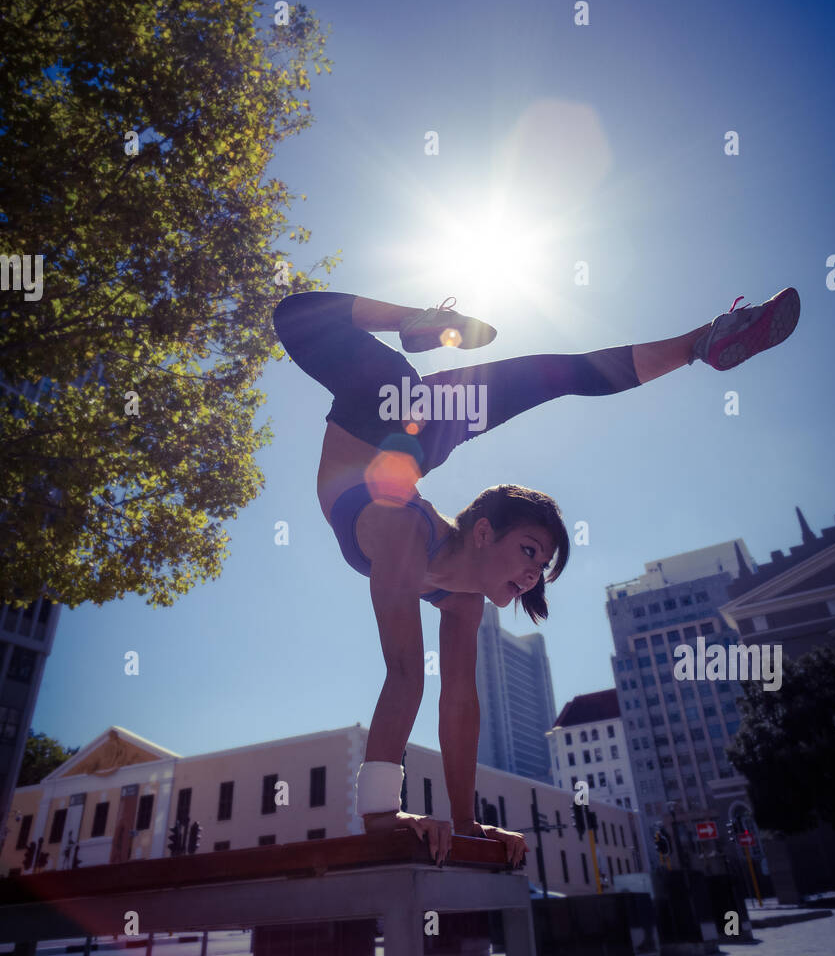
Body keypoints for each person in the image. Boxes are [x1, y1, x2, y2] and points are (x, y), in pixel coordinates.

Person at [272, 285, 800, 870]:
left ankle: (704, 343)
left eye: (539, 565)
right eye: (529, 552)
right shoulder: (400, 533)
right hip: (387, 406)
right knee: (296, 314)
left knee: (557, 376)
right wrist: (379, 812)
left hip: (413, 427)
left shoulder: (460, 599)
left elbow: (460, 701)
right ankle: (420, 319)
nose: (532, 574)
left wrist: (467, 823)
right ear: (481, 533)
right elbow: (405, 674)